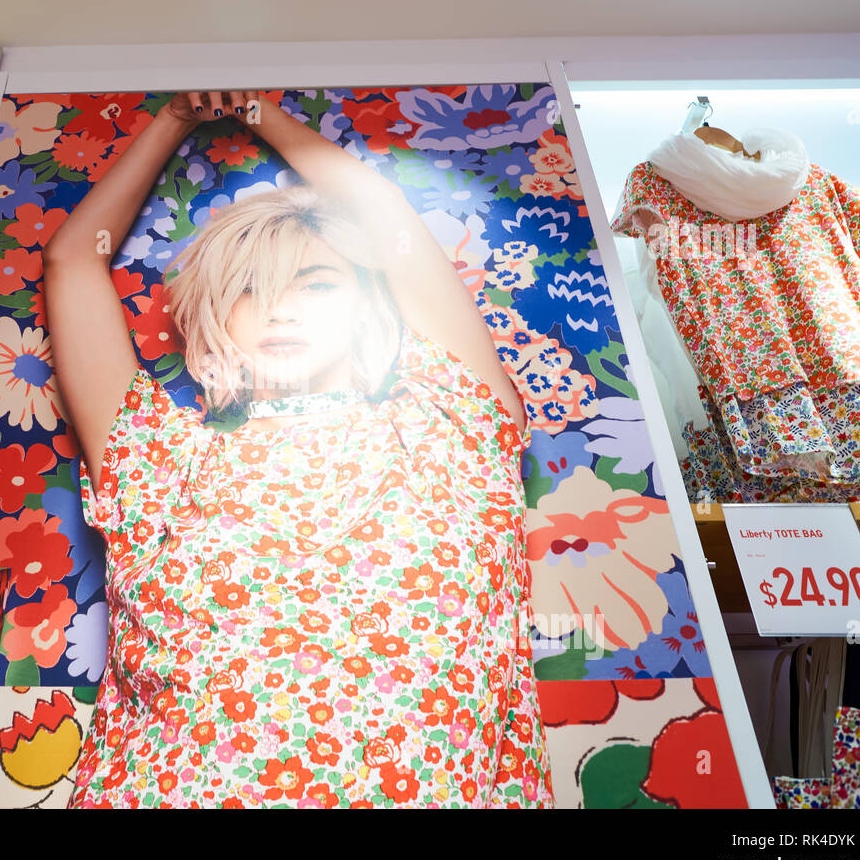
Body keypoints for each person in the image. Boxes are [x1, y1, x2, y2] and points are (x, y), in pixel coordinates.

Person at [42, 89, 554, 807]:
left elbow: (386, 220)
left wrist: (258, 112)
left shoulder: (452, 429)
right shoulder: (161, 463)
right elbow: (72, 263)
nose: (281, 306)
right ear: (217, 314)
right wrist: (178, 119)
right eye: (250, 289)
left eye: (314, 283)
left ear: (364, 305)